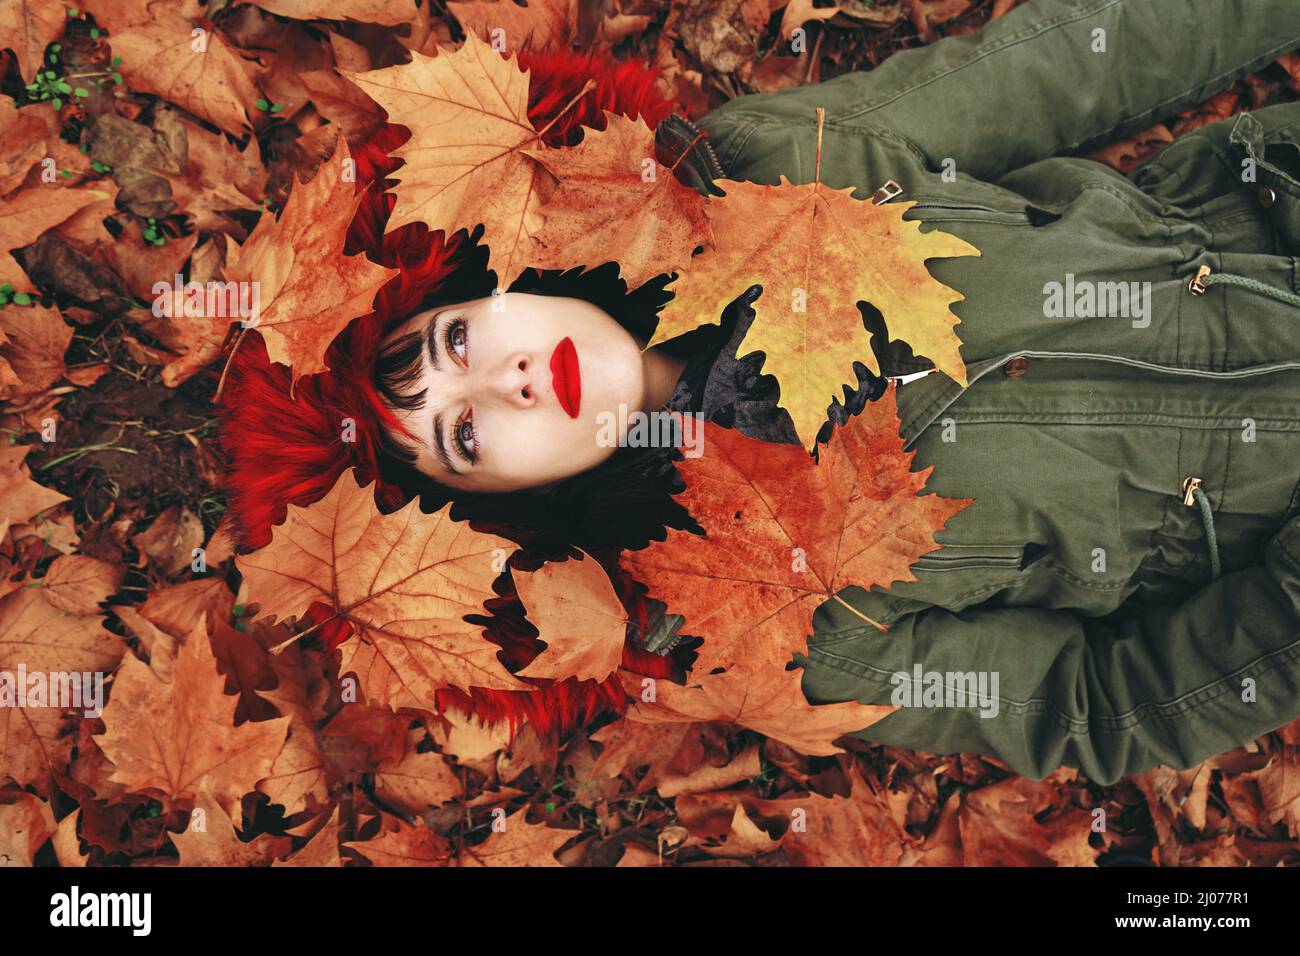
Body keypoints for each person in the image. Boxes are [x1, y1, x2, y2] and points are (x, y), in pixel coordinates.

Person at [217, 0, 1300, 785]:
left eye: (455, 337)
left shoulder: (757, 173)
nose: (500, 381)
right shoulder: (784, 632)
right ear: (491, 508)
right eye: (460, 433)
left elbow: (1067, 68)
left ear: (487, 270)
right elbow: (1096, 706)